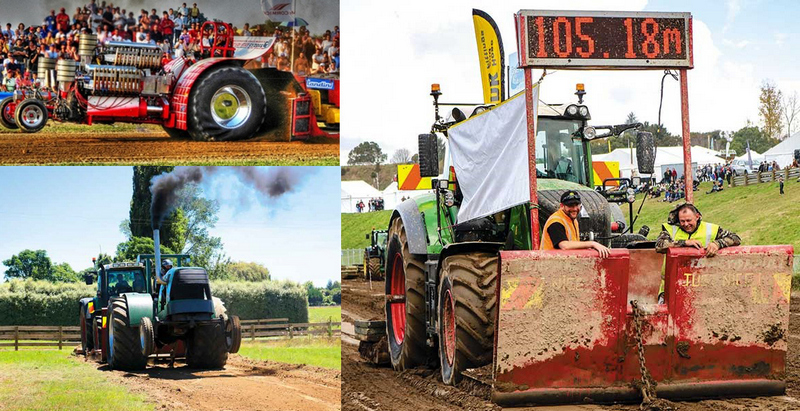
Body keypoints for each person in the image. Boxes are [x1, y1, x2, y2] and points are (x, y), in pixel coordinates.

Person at [655, 203, 741, 303]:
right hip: (671, 287)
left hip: (703, 287)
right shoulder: (670, 229)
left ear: (697, 217)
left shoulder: (711, 229)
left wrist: (717, 244)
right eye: (682, 221)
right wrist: (684, 243)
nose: (686, 224)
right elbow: (659, 245)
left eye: (688, 220)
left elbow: (736, 238)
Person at [540, 191, 610, 257]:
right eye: (570, 206)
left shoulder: (573, 220)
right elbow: (564, 246)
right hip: (551, 264)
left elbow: (573, 244)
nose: (575, 209)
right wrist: (592, 244)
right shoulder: (555, 222)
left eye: (577, 205)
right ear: (561, 206)